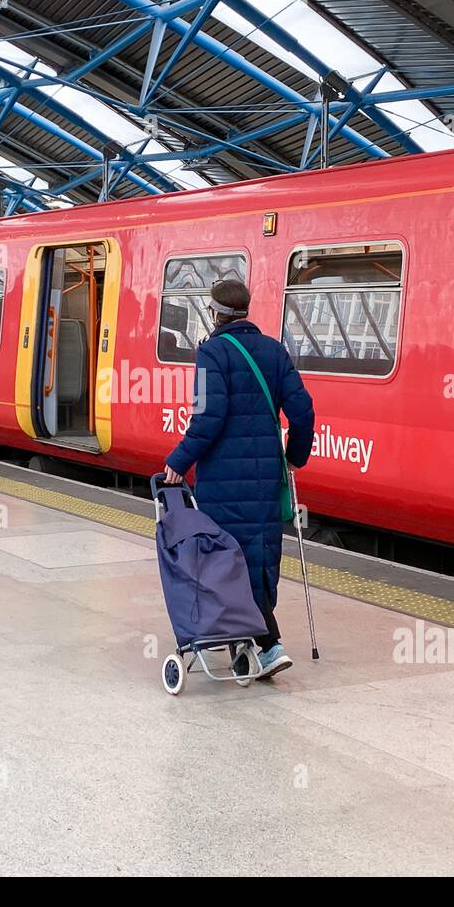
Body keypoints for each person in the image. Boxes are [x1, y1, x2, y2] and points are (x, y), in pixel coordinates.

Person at [163, 280, 315, 680]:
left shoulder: (212, 352)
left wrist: (179, 461)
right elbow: (303, 413)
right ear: (245, 310)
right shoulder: (274, 351)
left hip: (222, 481)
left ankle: (267, 644)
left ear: (215, 313)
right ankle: (250, 643)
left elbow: (207, 419)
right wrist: (293, 458)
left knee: (228, 559)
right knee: (259, 554)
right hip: (266, 477)